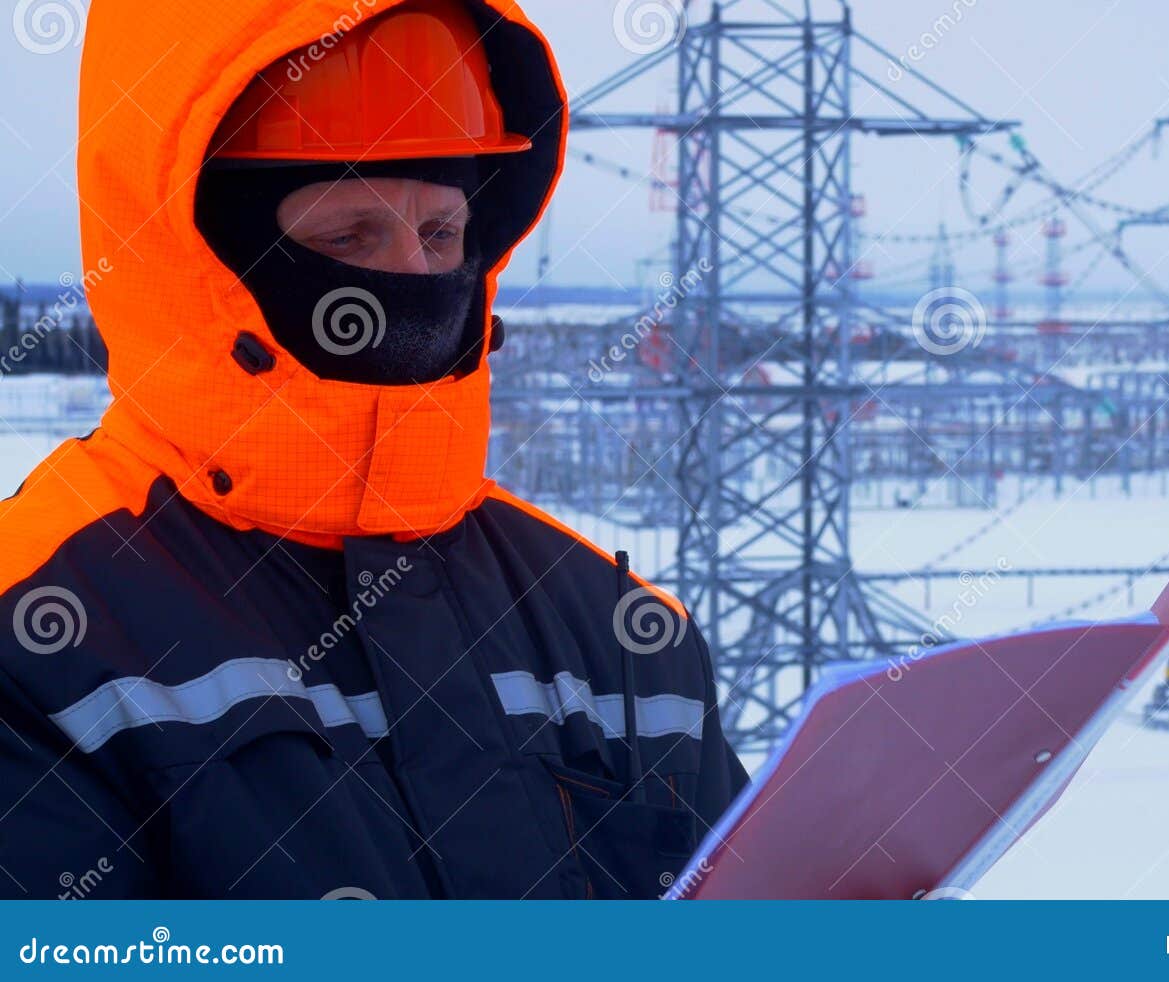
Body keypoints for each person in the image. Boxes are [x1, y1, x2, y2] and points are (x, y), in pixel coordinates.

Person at [0, 0, 747, 899]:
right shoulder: (44, 636)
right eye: (348, 237)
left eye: (441, 233)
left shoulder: (619, 627)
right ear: (202, 258)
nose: (413, 278)